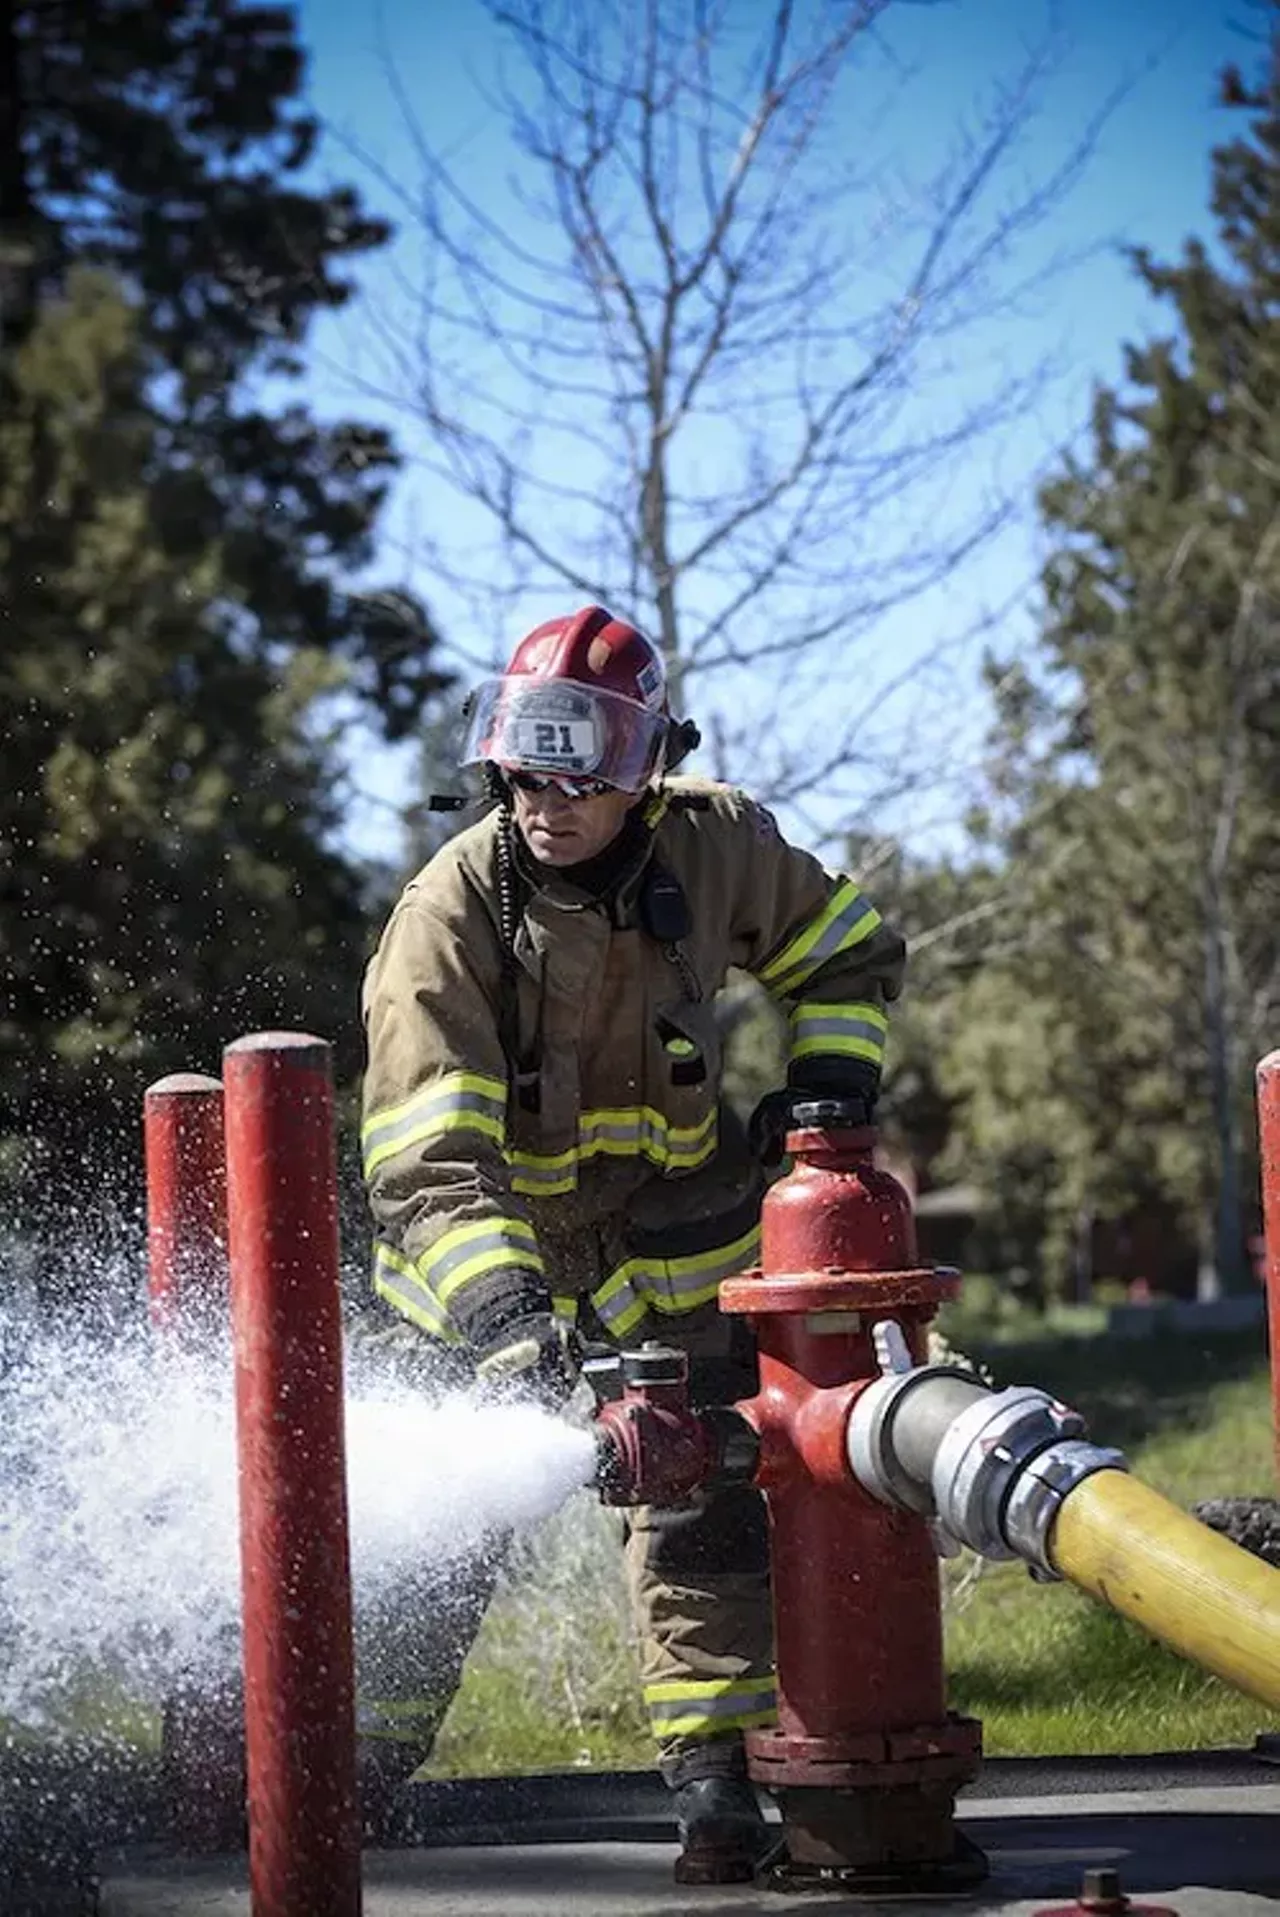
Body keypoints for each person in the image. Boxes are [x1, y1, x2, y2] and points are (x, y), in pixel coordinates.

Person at [358, 604, 905, 1881]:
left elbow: (846, 954)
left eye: (582, 762)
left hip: (672, 1244)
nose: (548, 794)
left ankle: (715, 1792)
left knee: (705, 1509)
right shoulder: (443, 921)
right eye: (525, 761)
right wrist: (514, 1336)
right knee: (426, 1552)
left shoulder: (719, 848)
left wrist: (824, 1089)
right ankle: (348, 1776)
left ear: (644, 767)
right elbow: (428, 1167)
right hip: (480, 1279)